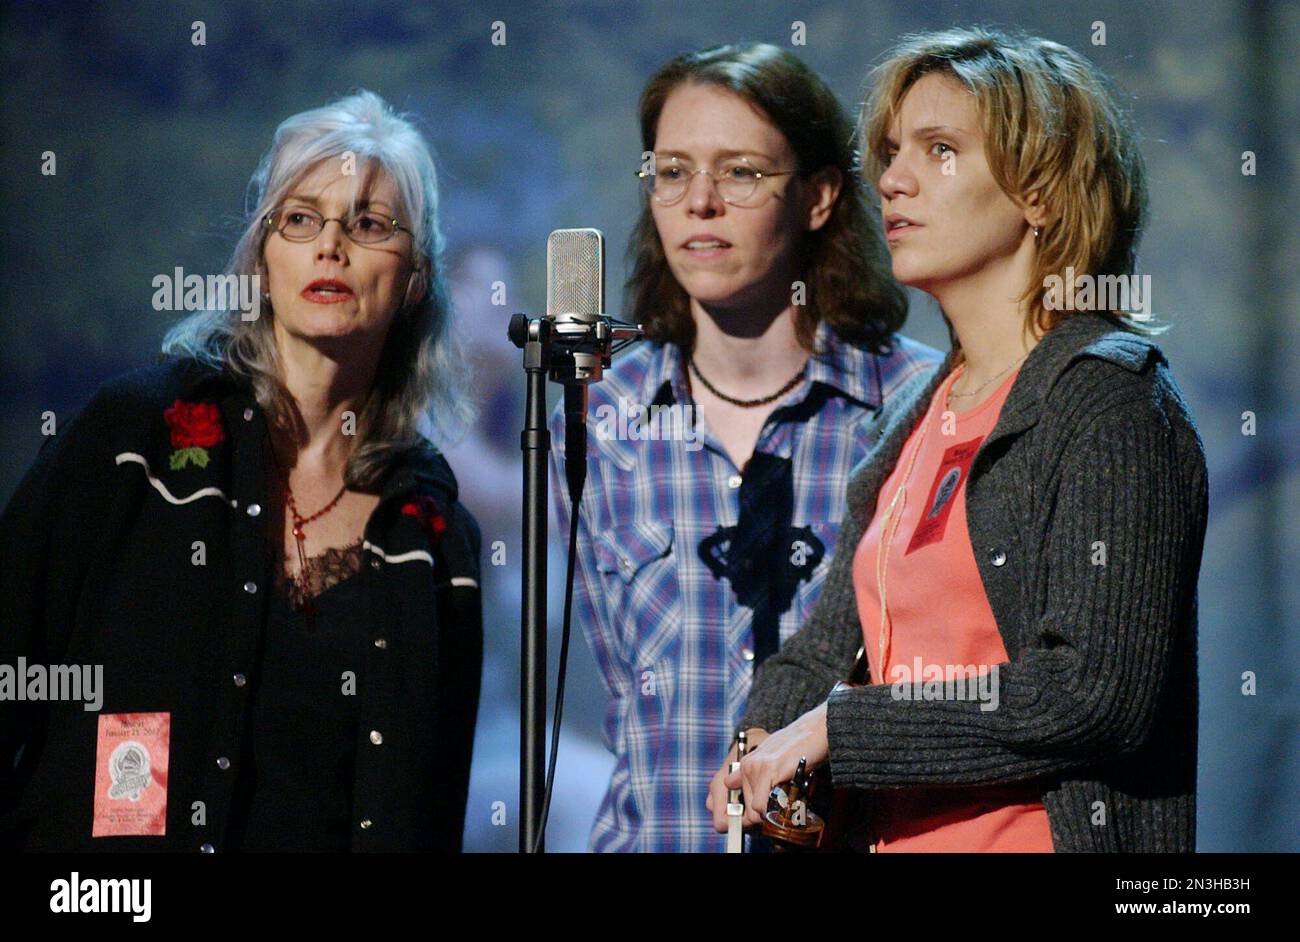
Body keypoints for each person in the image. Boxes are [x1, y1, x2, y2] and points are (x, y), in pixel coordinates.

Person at [712, 27, 1209, 852]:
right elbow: (828, 647)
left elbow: (1093, 694)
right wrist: (761, 737)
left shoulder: (1109, 401)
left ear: (1039, 193)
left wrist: (839, 728)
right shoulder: (912, 411)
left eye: (939, 150)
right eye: (891, 152)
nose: (892, 179)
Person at [0, 90, 483, 852]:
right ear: (262, 255)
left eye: (368, 224)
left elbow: (429, 814)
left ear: (416, 276)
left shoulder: (434, 533)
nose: (331, 246)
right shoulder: (134, 439)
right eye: (301, 219)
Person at [550, 42, 942, 853]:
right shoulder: (601, 419)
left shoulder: (918, 405)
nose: (700, 203)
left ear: (819, 196)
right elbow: (621, 686)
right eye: (672, 171)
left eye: (739, 173)